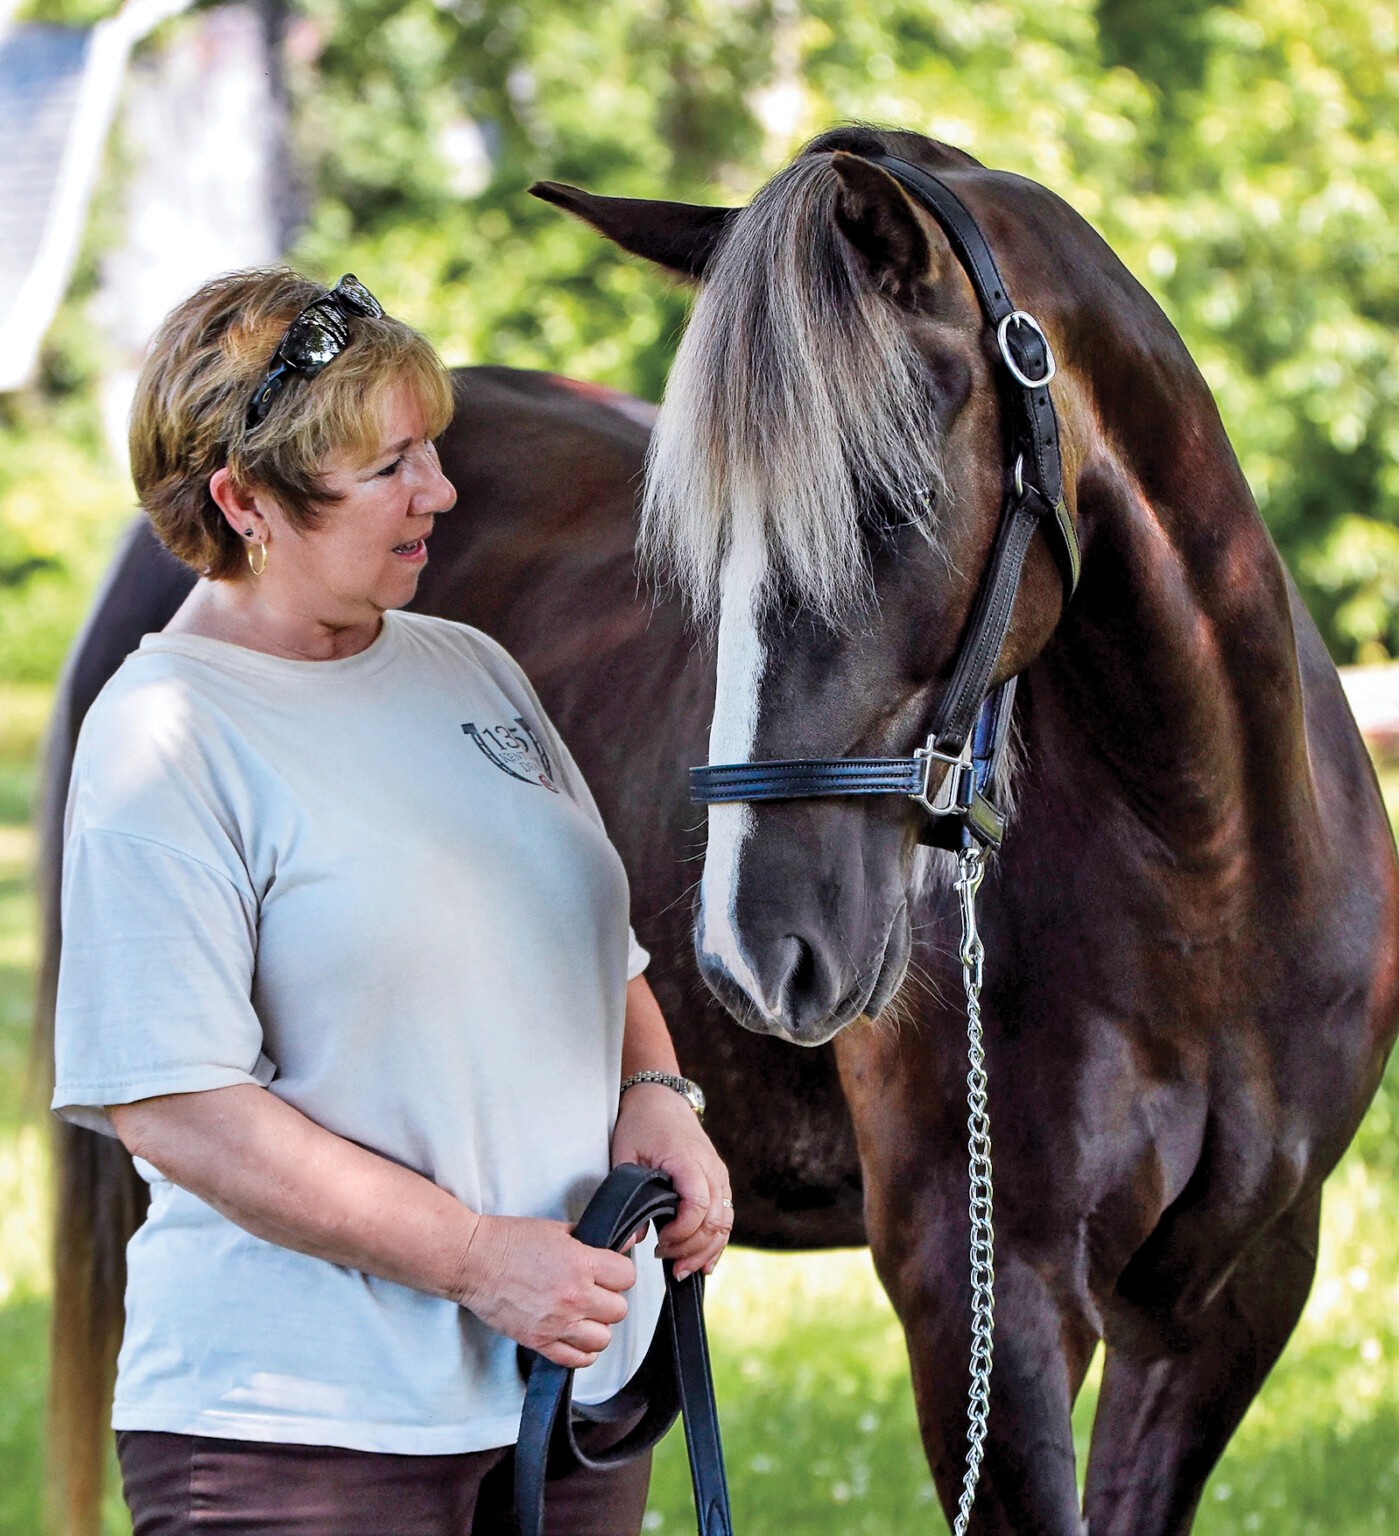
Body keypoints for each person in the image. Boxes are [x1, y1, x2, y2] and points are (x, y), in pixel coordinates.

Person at [51, 269, 733, 1535]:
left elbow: (599, 950)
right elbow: (177, 1106)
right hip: (300, 1431)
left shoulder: (467, 665)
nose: (442, 493)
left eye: (429, 449)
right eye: (388, 469)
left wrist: (658, 1096)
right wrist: (482, 1262)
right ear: (244, 501)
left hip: (563, 1395)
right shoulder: (168, 733)